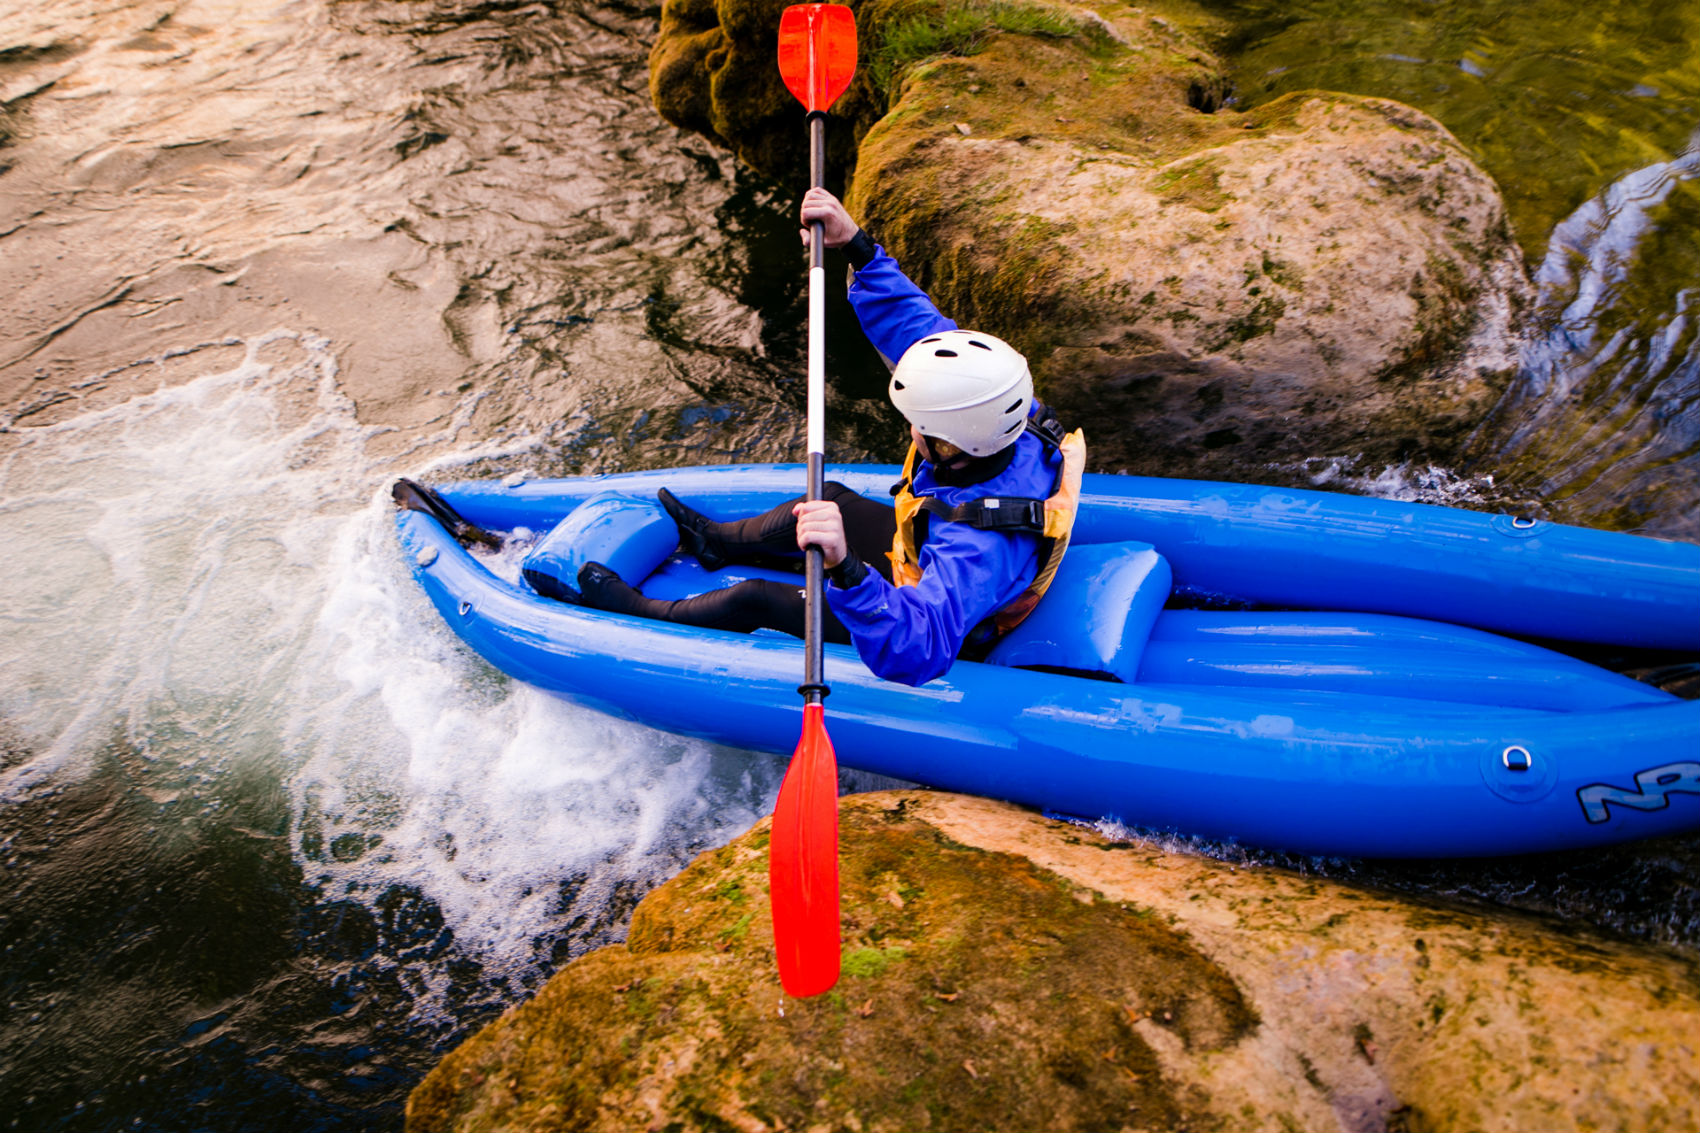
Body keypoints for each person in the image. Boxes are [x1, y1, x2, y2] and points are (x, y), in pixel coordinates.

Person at [576, 189, 1084, 686]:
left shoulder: (976, 546)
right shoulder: (1005, 411)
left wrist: (846, 568)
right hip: (947, 549)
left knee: (754, 596)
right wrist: (857, 247)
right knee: (831, 499)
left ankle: (642, 612)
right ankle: (715, 541)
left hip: (945, 621)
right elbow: (922, 334)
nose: (911, 428)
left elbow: (920, 648)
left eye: (919, 425)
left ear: (950, 445)